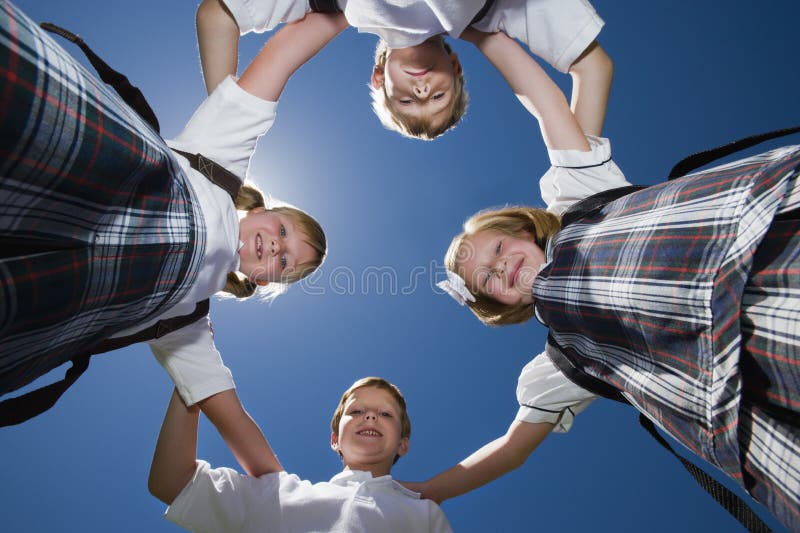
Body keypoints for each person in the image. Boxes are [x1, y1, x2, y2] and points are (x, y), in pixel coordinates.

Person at [416, 30, 800, 532]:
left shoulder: (579, 196)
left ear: (522, 229)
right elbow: (509, 452)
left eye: (497, 248)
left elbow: (548, 103)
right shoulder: (558, 363)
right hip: (757, 381)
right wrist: (407, 494)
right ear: (500, 305)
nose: (499, 266)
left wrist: (481, 29)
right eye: (487, 279)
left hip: (768, 239)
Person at [0, 0, 342, 476]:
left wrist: (287, 503)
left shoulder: (187, 323)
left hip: (49, 301)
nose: (276, 247)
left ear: (262, 282)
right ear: (264, 209)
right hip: (81, 156)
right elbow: (280, 53)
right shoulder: (221, 156)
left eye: (283, 263)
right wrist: (353, 11)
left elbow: (232, 419)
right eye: (283, 232)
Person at [195, 0, 613, 139]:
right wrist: (580, 194)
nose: (422, 89)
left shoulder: (334, 4)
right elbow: (593, 67)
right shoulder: (488, 10)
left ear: (380, 78)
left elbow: (218, 15)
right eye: (437, 95)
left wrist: (219, 138)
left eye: (407, 99)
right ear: (455, 65)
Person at [149, 376, 453, 532]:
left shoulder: (424, 515)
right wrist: (189, 382)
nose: (370, 416)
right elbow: (172, 483)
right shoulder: (277, 493)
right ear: (335, 440)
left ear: (403, 444)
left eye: (385, 414)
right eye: (357, 411)